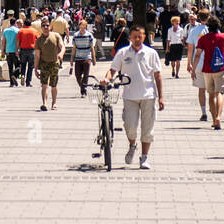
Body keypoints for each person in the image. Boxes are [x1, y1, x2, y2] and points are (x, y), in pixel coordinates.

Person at [104, 25, 164, 169]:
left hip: (148, 95)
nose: (137, 39)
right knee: (130, 126)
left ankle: (144, 157)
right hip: (130, 95)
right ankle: (132, 145)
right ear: (130, 37)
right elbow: (112, 70)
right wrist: (106, 79)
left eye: (140, 36)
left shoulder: (151, 53)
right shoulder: (123, 53)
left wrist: (161, 97)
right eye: (135, 36)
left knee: (147, 129)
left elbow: (157, 75)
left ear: (144, 37)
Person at [195, 16, 224, 131]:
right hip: (220, 68)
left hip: (207, 69)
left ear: (208, 26)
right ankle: (219, 117)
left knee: (211, 95)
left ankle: (213, 119)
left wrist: (193, 68)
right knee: (219, 93)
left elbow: (198, 54)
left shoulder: (203, 38)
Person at [185, 10, 211, 122]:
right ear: (209, 17)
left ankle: (204, 112)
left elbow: (190, 48)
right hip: (212, 64)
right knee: (212, 90)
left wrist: (189, 63)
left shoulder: (194, 30)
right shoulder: (214, 29)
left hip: (199, 63)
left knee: (201, 89)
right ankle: (214, 111)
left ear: (199, 18)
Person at [36, 20, 66, 111]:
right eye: (43, 26)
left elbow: (62, 47)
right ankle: (44, 103)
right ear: (41, 28)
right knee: (44, 85)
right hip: (44, 64)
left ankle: (54, 103)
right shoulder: (39, 40)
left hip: (54, 63)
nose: (45, 27)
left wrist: (61, 54)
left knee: (54, 85)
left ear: (50, 27)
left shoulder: (56, 36)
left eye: (47, 25)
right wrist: (35, 68)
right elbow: (37, 56)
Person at [71, 18, 96, 96]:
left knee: (86, 75)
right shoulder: (75, 35)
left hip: (87, 57)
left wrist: (94, 58)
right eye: (81, 25)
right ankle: (83, 87)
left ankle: (83, 90)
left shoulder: (89, 35)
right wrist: (71, 59)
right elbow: (74, 48)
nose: (82, 27)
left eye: (84, 25)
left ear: (85, 26)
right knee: (77, 75)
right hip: (78, 57)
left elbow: (92, 48)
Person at [17, 18, 39, 87]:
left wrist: (16, 50)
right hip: (32, 50)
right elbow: (38, 40)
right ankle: (28, 82)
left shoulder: (21, 31)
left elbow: (18, 41)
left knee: (23, 64)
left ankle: (23, 75)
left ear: (24, 24)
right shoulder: (34, 31)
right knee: (30, 66)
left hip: (23, 50)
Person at [165, 16, 186, 80]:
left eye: (178, 21)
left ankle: (177, 74)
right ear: (172, 22)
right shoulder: (170, 30)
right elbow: (168, 40)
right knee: (173, 61)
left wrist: (184, 44)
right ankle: (173, 69)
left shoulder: (181, 29)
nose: (177, 22)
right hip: (172, 46)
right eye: (175, 21)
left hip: (179, 45)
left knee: (178, 60)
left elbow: (182, 38)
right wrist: (167, 48)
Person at [1, 17, 21, 87]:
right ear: (15, 23)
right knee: (18, 66)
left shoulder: (6, 31)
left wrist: (2, 51)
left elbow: (3, 42)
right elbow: (19, 41)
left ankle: (11, 83)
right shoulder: (18, 31)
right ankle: (14, 75)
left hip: (8, 50)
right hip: (16, 50)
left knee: (10, 67)